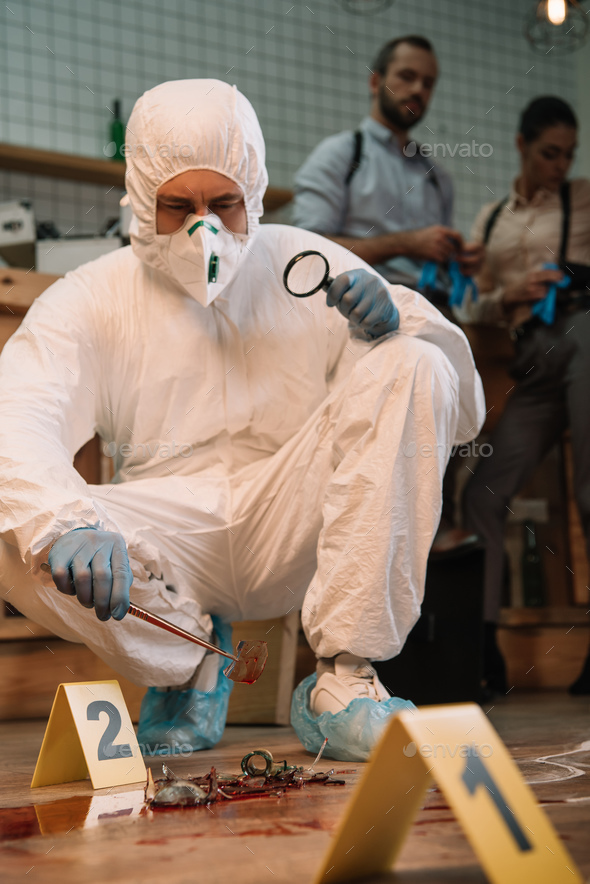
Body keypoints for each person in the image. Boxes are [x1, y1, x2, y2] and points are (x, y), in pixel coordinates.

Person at [0, 79, 484, 759]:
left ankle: (345, 681)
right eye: (178, 206)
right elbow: (19, 410)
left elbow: (449, 400)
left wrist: (393, 324)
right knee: (17, 529)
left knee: (415, 362)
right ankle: (191, 658)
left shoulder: (302, 260)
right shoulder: (93, 297)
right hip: (168, 544)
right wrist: (61, 523)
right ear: (141, 195)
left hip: (291, 518)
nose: (205, 230)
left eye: (224, 204)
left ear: (253, 189)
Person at [292, 35, 484, 550]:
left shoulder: (437, 178)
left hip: (430, 310)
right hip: (359, 316)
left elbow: (430, 258)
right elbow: (306, 247)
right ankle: (376, 539)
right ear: (376, 81)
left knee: (460, 401)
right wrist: (406, 242)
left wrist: (453, 257)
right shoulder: (340, 156)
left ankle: (424, 530)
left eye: (428, 81)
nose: (418, 88)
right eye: (407, 76)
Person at [459, 96, 590, 694]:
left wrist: (569, 274)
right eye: (549, 153)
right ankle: (483, 650)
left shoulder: (583, 199)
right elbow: (474, 303)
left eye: (568, 153)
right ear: (522, 145)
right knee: (483, 495)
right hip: (528, 362)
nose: (560, 165)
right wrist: (511, 290)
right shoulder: (490, 220)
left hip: (583, 337)